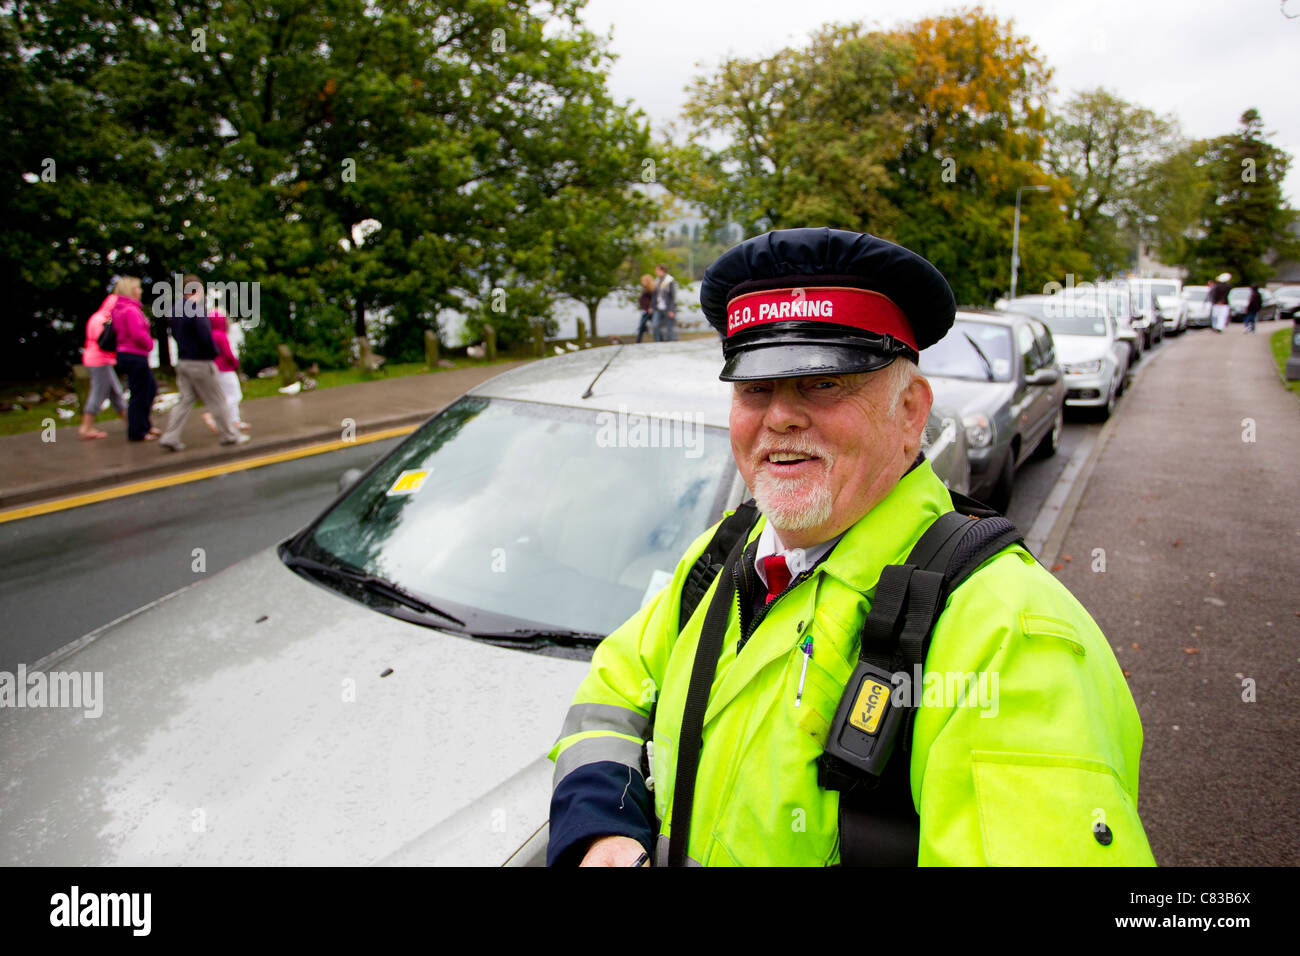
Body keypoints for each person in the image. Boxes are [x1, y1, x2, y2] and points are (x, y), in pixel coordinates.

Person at [547, 227, 1154, 867]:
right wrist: (602, 832)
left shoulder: (1011, 635)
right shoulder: (724, 556)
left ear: (910, 412)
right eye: (755, 388)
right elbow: (611, 697)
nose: (779, 417)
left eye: (823, 384)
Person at [158, 274, 248, 451]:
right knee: (217, 399)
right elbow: (205, 337)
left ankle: (170, 436)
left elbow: (175, 335)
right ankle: (230, 435)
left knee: (185, 400)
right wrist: (213, 353)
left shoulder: (175, 310)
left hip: (183, 361)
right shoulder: (196, 310)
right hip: (200, 362)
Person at [110, 277, 160, 442]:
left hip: (126, 354)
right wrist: (149, 343)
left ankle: (143, 426)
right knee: (142, 392)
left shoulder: (119, 309)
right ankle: (137, 431)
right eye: (137, 288)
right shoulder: (130, 310)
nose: (140, 291)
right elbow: (137, 334)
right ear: (130, 290)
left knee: (147, 389)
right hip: (135, 354)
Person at [79, 291, 128, 440]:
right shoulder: (102, 320)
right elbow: (105, 343)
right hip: (99, 361)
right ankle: (86, 427)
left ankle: (130, 423)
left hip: (99, 360)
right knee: (98, 393)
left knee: (116, 393)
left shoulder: (99, 317)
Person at [202, 308, 251, 433]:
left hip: (214, 370)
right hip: (225, 369)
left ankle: (233, 420)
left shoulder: (209, 335)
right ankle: (216, 416)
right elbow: (228, 354)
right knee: (234, 395)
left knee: (223, 396)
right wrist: (235, 364)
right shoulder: (221, 336)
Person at [651, 264, 677, 342]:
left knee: (669, 327)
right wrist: (652, 306)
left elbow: (673, 297)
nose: (656, 272)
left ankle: (671, 342)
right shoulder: (657, 280)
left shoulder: (670, 281)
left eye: (657, 270)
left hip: (667, 307)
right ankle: (658, 342)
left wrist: (672, 310)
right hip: (658, 307)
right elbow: (654, 295)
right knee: (655, 325)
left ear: (663, 270)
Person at [635, 274, 655, 344]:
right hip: (645, 311)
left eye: (643, 281)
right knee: (641, 326)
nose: (642, 282)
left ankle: (658, 340)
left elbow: (654, 300)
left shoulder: (651, 290)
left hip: (649, 311)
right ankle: (638, 341)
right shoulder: (645, 289)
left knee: (653, 326)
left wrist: (651, 308)